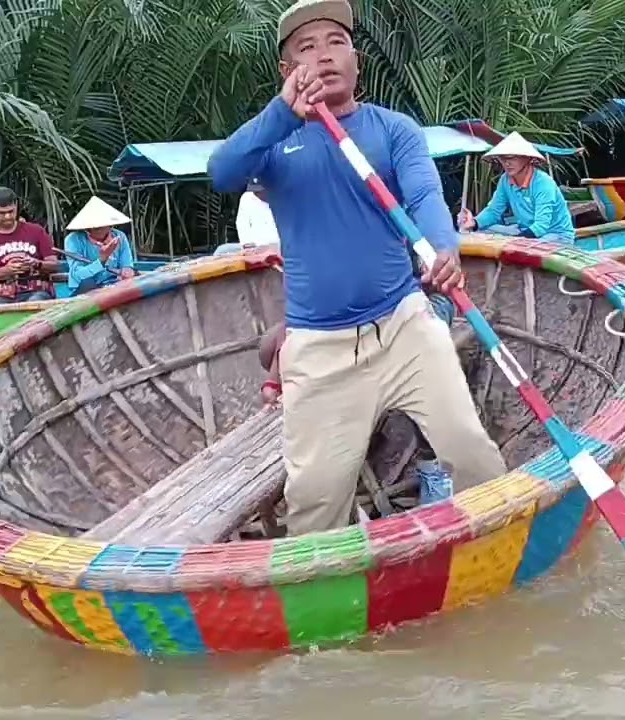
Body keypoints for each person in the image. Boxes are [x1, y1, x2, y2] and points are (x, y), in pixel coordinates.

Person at [207, 0, 507, 536]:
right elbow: (221, 172)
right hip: (318, 348)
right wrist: (282, 113)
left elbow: (425, 195)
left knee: (472, 453)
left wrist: (443, 248)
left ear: (356, 61)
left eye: (336, 42)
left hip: (404, 327)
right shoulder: (273, 142)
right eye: (307, 48)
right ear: (287, 71)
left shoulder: (394, 129)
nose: (324, 56)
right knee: (315, 505)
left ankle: (494, 549)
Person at [457, 132, 575, 244]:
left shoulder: (543, 183)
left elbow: (541, 226)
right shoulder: (505, 180)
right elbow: (494, 211)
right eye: (503, 158)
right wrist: (474, 222)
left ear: (527, 158)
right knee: (483, 230)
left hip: (556, 235)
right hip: (524, 230)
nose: (507, 163)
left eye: (512, 158)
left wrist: (516, 242)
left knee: (527, 247)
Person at [0, 187, 61, 304]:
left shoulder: (37, 231)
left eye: (11, 211)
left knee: (35, 302)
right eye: (2, 213)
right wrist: (5, 271)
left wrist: (36, 263)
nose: (7, 216)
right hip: (0, 296)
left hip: (36, 291)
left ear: (16, 206)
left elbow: (54, 265)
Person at [61, 196, 136, 294]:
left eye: (102, 224)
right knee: (88, 283)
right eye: (95, 226)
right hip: (84, 288)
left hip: (113, 285)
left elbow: (126, 264)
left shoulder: (119, 236)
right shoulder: (73, 240)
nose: (98, 227)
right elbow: (78, 275)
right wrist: (102, 260)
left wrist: (127, 271)